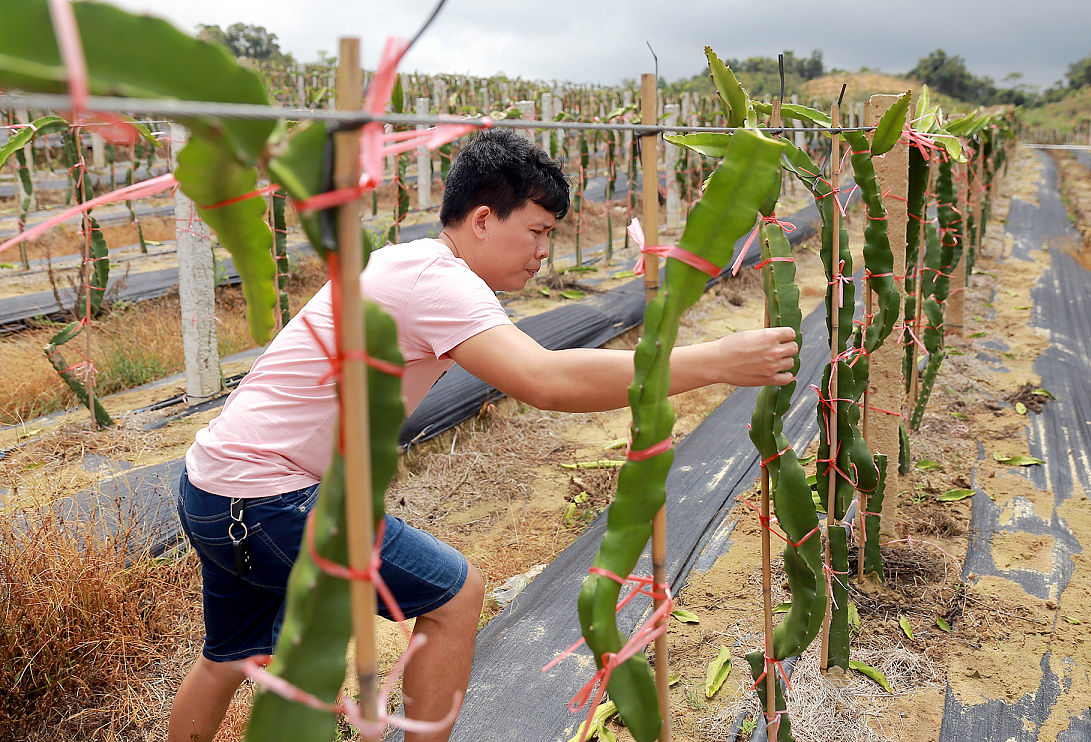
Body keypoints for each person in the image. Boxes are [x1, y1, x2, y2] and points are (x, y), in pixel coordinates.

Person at [168, 129, 798, 742]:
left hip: (210, 486)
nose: (544, 250)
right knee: (454, 594)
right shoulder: (437, 283)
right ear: (482, 219)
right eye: (537, 231)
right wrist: (714, 361)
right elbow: (544, 379)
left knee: (229, 655)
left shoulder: (409, 260)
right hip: (268, 502)